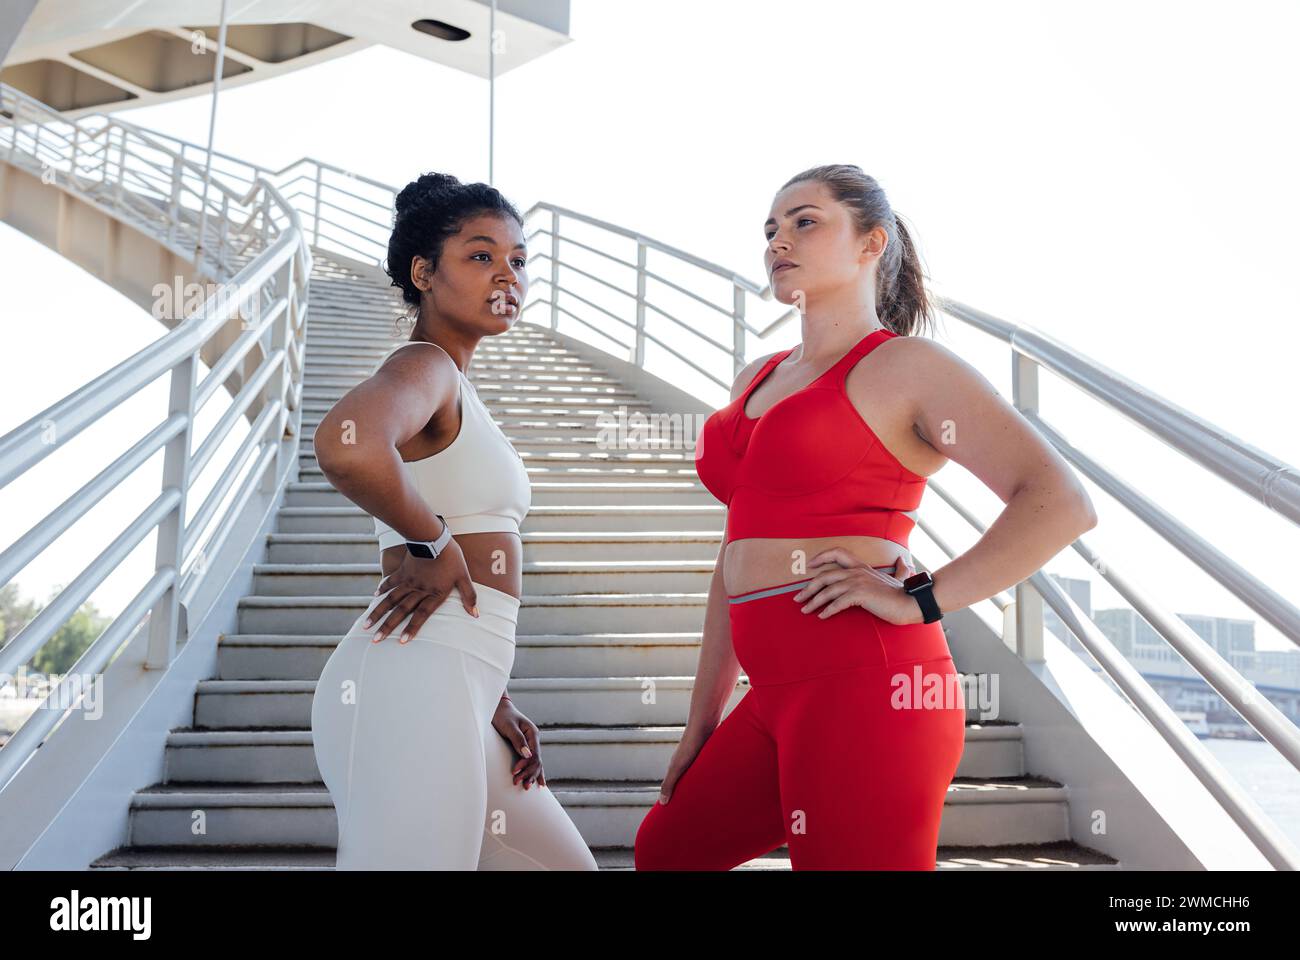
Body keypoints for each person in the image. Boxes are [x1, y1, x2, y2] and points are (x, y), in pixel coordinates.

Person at [634, 164, 1098, 870]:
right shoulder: (753, 377)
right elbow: (735, 557)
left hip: (869, 688)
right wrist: (702, 720)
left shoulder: (906, 368)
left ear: (870, 242)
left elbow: (1059, 501)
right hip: (772, 699)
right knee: (666, 853)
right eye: (770, 229)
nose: (778, 240)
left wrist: (921, 598)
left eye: (804, 221)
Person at [309, 172, 597, 870]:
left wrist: (490, 692)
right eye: (480, 255)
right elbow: (345, 442)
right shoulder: (425, 365)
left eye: (518, 260)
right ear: (423, 273)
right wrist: (430, 539)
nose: (507, 274)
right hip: (412, 678)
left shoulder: (457, 385)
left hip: (458, 680)